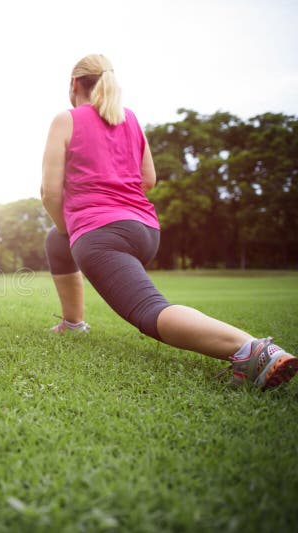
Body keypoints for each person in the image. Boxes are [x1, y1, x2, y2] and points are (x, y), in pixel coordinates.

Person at [40, 53, 297, 390]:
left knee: (149, 310)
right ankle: (73, 324)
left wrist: (74, 221)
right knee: (56, 241)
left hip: (102, 233)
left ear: (74, 84)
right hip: (145, 229)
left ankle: (253, 350)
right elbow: (149, 179)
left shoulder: (66, 119)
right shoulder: (129, 118)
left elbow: (49, 192)